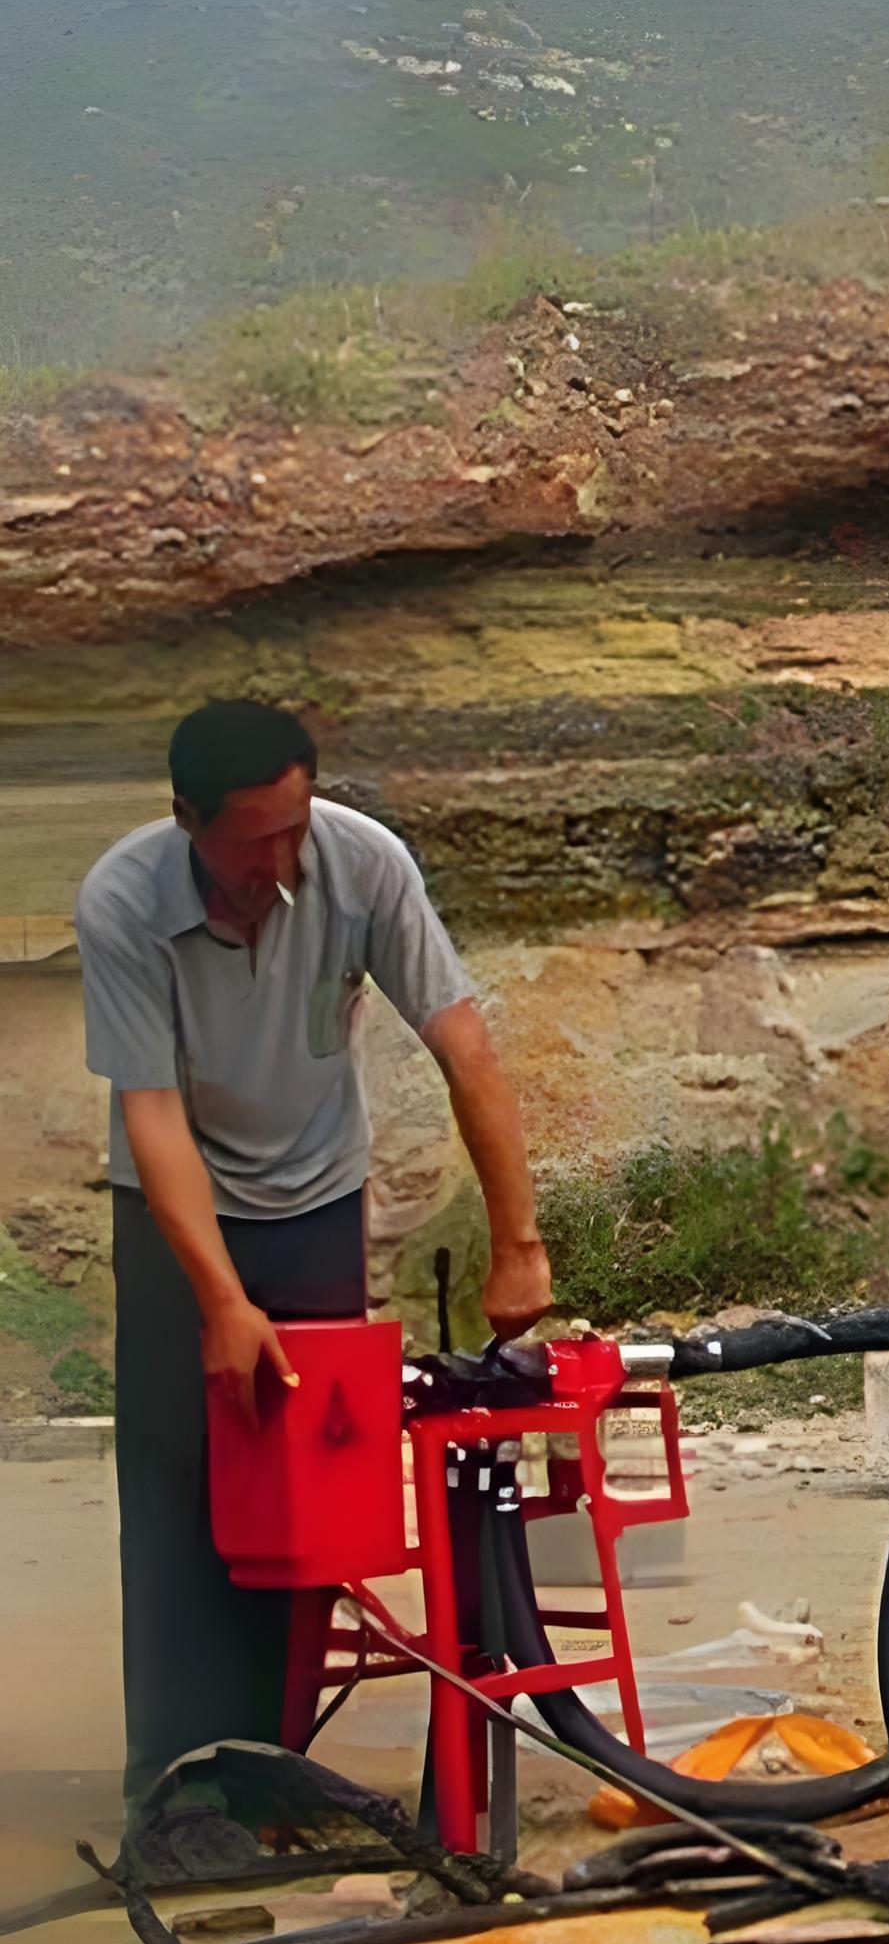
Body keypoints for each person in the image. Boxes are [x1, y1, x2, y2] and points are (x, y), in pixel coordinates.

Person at [74, 698, 553, 1803]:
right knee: (183, 1480)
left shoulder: (362, 866)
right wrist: (221, 1302)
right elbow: (151, 1114)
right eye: (252, 840)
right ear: (187, 819)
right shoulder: (121, 902)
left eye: (293, 828)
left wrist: (517, 1241)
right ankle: (182, 1771)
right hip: (175, 1209)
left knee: (308, 1481)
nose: (278, 859)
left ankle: (278, 1759)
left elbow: (466, 1050)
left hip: (317, 1198)